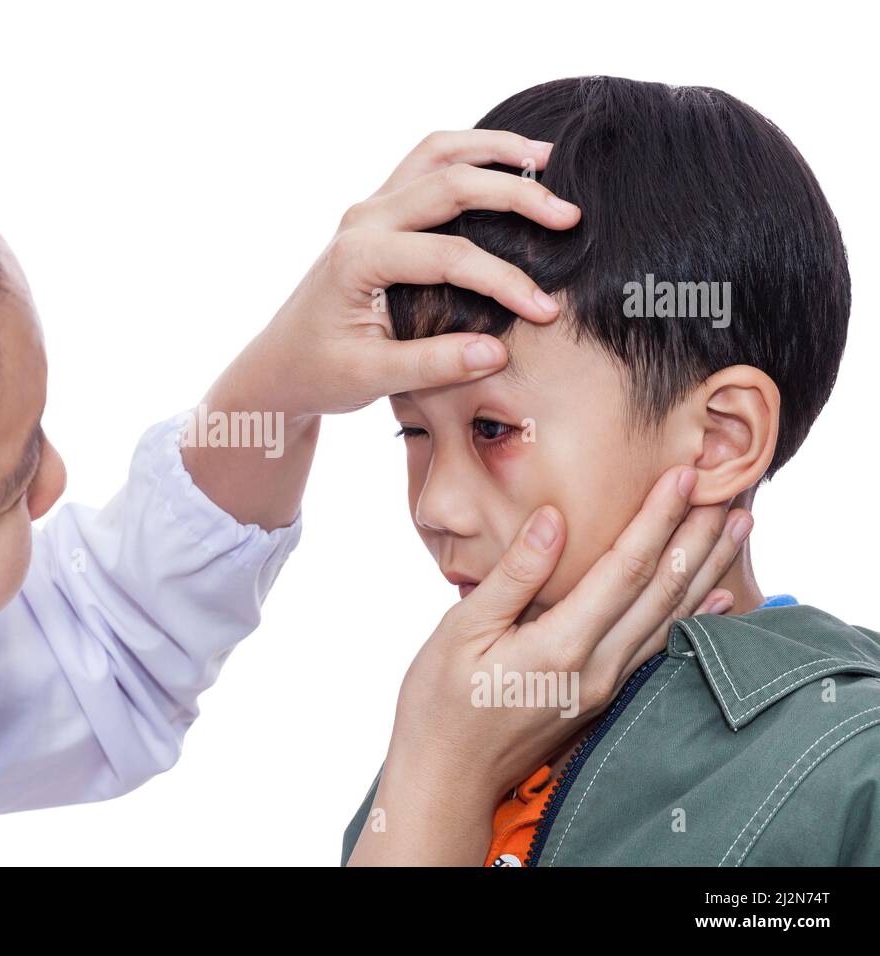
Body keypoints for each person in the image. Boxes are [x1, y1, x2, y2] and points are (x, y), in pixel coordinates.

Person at [0, 92, 736, 865]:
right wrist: (429, 788)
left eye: (489, 425)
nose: (56, 483)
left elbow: (102, 641)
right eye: (8, 479)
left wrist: (277, 388)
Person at [343, 76, 878, 867]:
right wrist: (437, 773)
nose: (437, 505)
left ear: (720, 439)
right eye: (413, 430)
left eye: (492, 428)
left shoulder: (849, 770)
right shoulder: (457, 724)